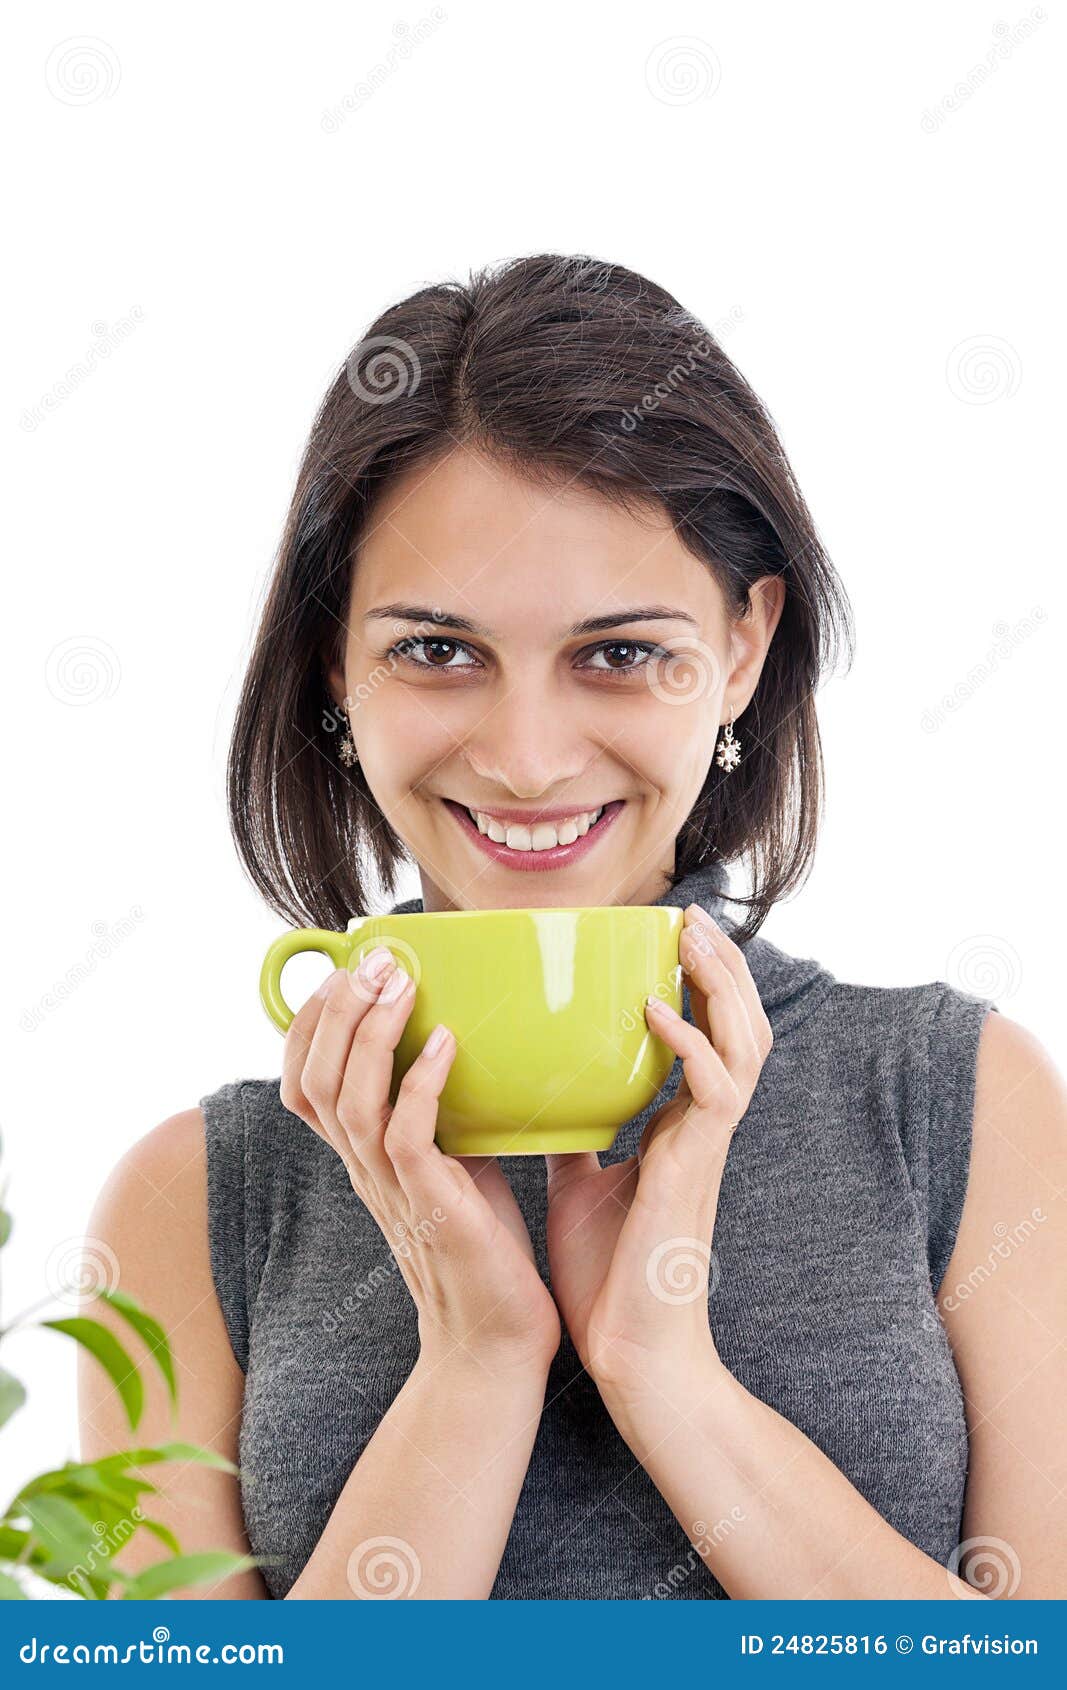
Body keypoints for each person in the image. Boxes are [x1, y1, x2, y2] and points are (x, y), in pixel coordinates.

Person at [79, 255, 1066, 1600]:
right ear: (333, 664)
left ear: (740, 646)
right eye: (436, 650)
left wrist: (664, 1368)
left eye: (617, 651)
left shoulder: (963, 1102)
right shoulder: (188, 1199)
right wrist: (477, 1357)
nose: (530, 759)